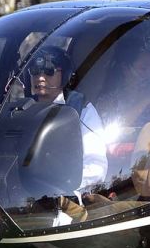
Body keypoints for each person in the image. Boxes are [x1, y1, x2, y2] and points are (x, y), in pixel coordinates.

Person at [27, 45, 106, 190]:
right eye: (35, 71)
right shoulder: (23, 110)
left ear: (65, 75)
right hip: (19, 196)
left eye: (49, 70)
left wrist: (66, 184)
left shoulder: (81, 109)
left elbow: (96, 166)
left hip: (65, 195)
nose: (40, 77)